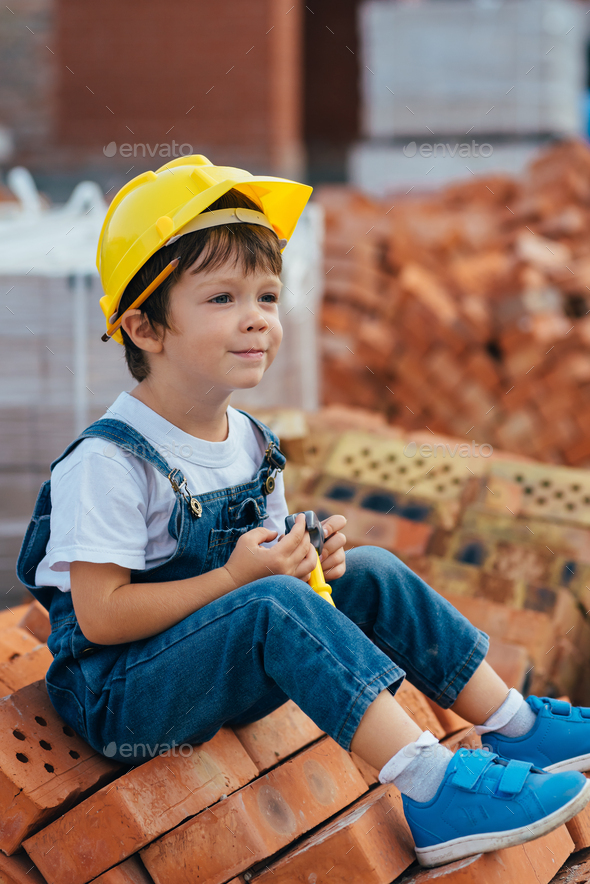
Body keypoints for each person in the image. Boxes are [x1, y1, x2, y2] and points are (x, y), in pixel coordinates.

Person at [16, 155, 590, 869]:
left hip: (215, 664)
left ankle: (516, 724)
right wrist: (239, 580)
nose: (256, 319)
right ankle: (432, 787)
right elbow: (100, 616)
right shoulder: (110, 460)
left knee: (370, 573)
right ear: (144, 327)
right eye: (221, 299)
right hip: (123, 697)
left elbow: (279, 583)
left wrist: (309, 565)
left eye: (267, 296)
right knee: (268, 607)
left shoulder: (253, 442)